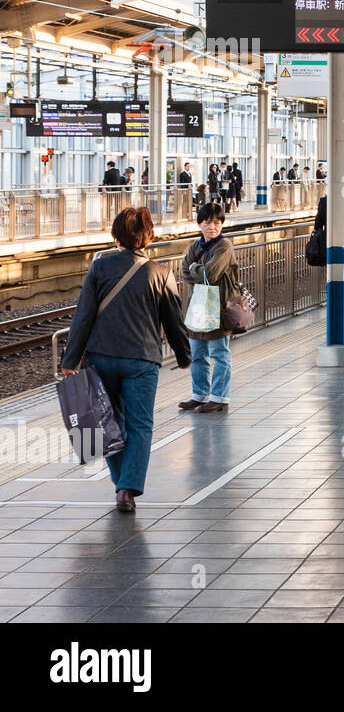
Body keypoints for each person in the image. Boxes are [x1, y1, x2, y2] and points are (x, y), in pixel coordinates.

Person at [59, 207, 192, 512]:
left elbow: (83, 317)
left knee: (108, 423)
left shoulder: (99, 268)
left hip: (101, 357)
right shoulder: (161, 273)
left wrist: (71, 359)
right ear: (147, 237)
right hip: (141, 361)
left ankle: (121, 483)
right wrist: (184, 356)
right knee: (140, 424)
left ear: (116, 235)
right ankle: (127, 489)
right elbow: (174, 320)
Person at [178, 202, 238, 413]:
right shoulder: (196, 246)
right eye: (207, 222)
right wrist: (197, 270)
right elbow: (184, 271)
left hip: (219, 306)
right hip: (198, 305)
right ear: (199, 224)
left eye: (217, 222)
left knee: (219, 353)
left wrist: (197, 268)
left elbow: (210, 275)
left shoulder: (224, 246)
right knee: (197, 352)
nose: (212, 227)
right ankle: (199, 394)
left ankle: (219, 397)